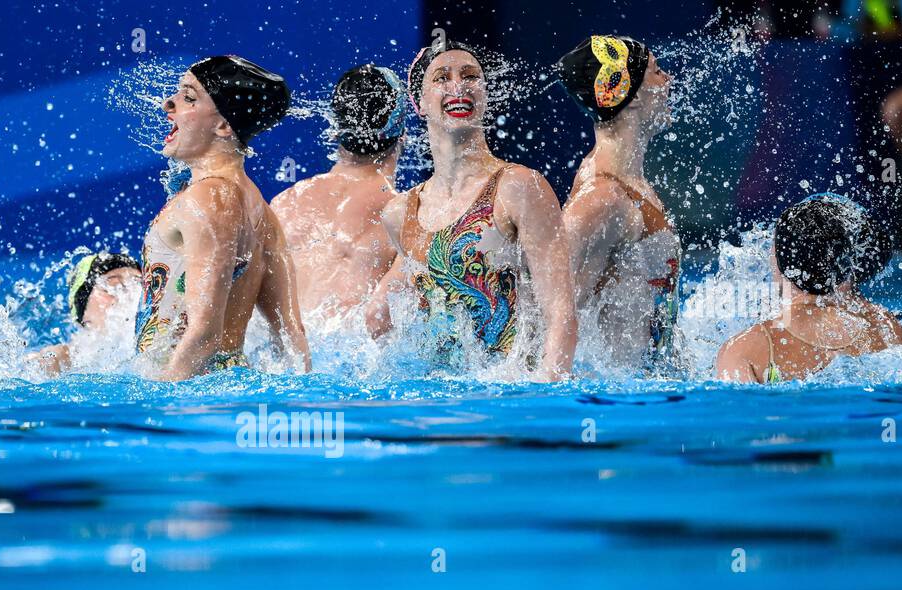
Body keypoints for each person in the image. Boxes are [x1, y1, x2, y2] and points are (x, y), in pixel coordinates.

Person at [364, 39, 577, 379]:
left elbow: (561, 313)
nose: (458, 86)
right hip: (437, 401)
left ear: (485, 93)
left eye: (470, 76)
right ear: (419, 103)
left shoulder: (519, 187)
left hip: (510, 396)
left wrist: (545, 401)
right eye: (441, 78)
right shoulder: (399, 213)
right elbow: (378, 317)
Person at [135, 55, 311, 380]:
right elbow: (291, 336)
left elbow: (204, 335)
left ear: (223, 125)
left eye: (188, 97)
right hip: (218, 391)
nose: (167, 104)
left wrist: (157, 411)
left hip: (188, 390)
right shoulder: (260, 209)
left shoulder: (211, 198)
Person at [559, 36, 681, 374]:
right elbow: (547, 313)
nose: (668, 80)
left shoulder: (629, 184)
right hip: (620, 402)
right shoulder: (602, 198)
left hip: (642, 389)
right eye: (657, 72)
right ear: (632, 94)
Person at [715, 194, 902, 383]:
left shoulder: (743, 350)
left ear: (779, 259)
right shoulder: (886, 328)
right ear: (845, 263)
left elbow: (735, 411)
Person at [270, 65, 406, 323]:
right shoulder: (402, 212)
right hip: (350, 354)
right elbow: (378, 321)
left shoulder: (284, 202)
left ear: (335, 131)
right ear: (403, 137)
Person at [29, 252, 141, 378]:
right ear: (83, 305)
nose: (128, 296)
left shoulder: (152, 354)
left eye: (137, 286)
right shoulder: (61, 359)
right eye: (113, 286)